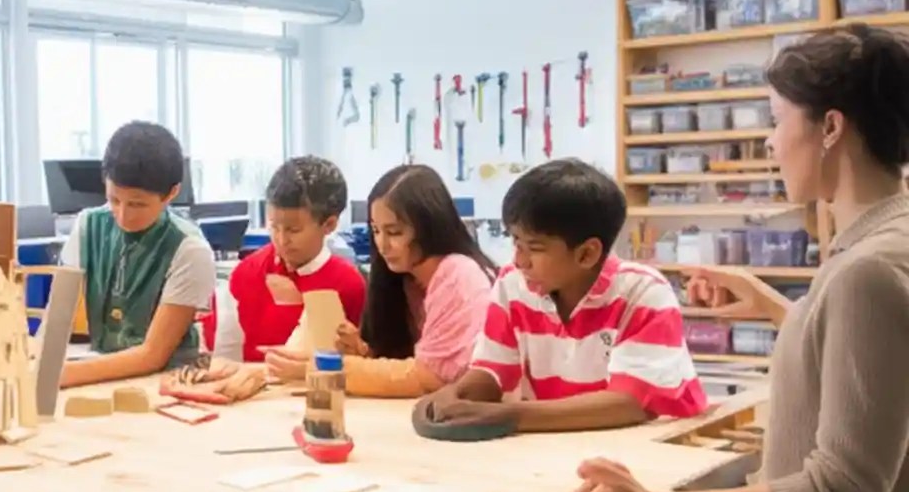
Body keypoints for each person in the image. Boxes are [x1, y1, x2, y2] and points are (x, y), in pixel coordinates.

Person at [572, 25, 909, 492]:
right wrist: (781, 309)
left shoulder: (868, 269)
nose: (770, 141)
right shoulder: (888, 239)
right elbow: (881, 367)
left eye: (778, 120)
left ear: (830, 128)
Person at [415, 158, 706, 433]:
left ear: (587, 253)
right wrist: (453, 396)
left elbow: (630, 403)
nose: (519, 260)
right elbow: (493, 371)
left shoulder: (643, 292)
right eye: (515, 241)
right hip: (564, 446)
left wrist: (511, 416)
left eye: (534, 247)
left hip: (655, 450)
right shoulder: (512, 283)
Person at [267, 165, 496, 398]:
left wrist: (326, 367)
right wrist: (361, 353)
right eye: (376, 231)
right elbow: (398, 364)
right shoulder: (401, 280)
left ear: (429, 226)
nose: (382, 244)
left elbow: (429, 377)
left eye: (394, 232)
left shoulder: (459, 275)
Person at [59, 121, 216, 387]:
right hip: (101, 371)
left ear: (171, 193)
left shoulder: (189, 249)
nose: (123, 215)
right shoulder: (88, 225)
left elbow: (152, 356)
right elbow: (58, 318)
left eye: (137, 204)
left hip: (166, 381)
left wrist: (58, 375)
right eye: (114, 200)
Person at [209, 155, 366, 362]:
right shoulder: (248, 271)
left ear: (329, 224)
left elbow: (360, 361)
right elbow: (220, 351)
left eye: (294, 229)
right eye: (274, 226)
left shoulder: (349, 285)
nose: (282, 240)